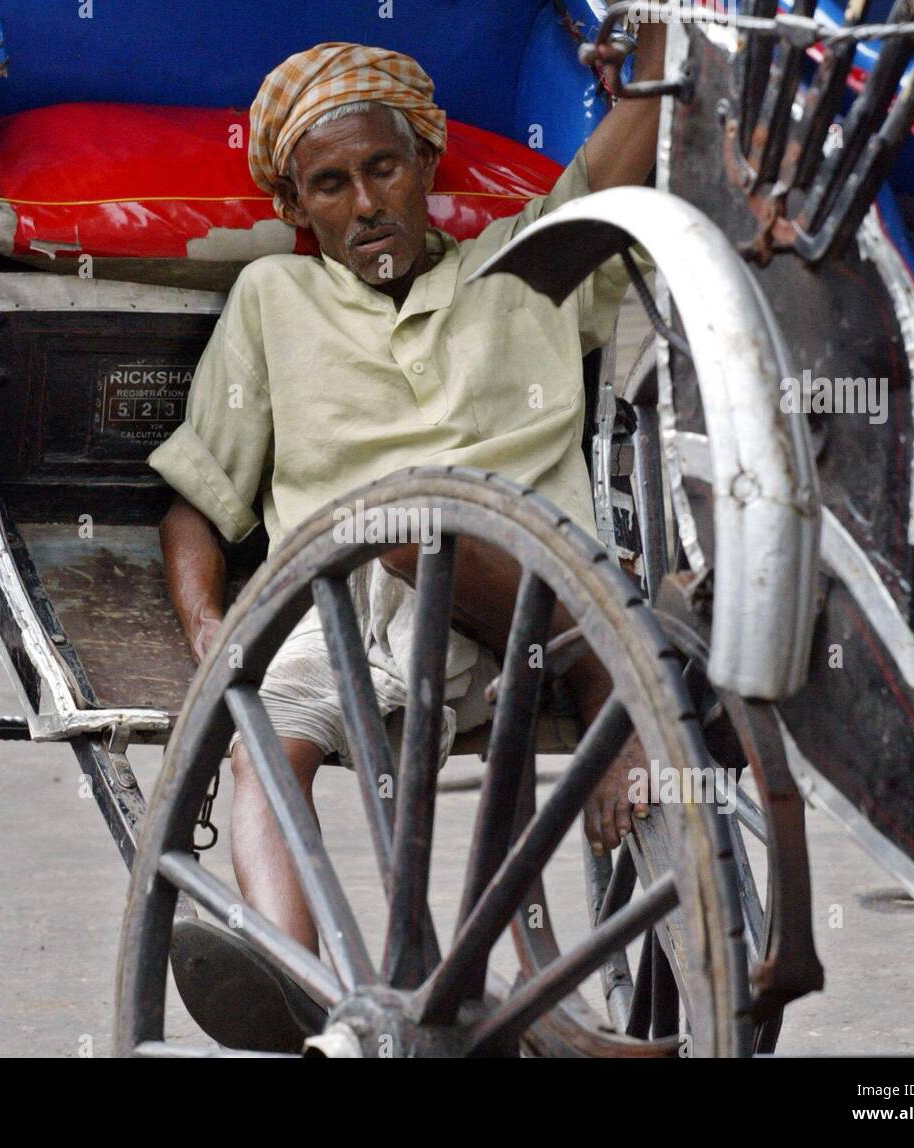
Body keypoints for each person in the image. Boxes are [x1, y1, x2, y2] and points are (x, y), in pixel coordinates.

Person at [150, 31, 665, 1051]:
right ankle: (299, 981)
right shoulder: (273, 300)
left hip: (523, 597)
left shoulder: (528, 265)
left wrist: (666, 34)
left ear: (428, 161)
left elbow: (624, 147)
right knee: (264, 737)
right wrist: (212, 630)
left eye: (383, 168)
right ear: (295, 207)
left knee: (421, 541)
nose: (365, 204)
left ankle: (541, 987)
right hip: (334, 608)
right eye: (330, 185)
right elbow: (197, 500)